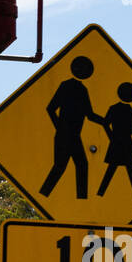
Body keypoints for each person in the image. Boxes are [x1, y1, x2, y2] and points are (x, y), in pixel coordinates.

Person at [39, 55, 103, 200]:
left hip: (74, 136)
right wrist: (60, 127)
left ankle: (81, 199)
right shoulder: (65, 85)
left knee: (80, 165)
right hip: (64, 135)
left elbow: (90, 115)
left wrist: (105, 121)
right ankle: (44, 194)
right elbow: (50, 108)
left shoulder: (83, 89)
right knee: (61, 167)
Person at [96, 82, 132, 200]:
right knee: (123, 170)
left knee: (117, 170)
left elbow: (106, 124)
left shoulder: (117, 109)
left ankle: (101, 194)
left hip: (119, 144)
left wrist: (112, 138)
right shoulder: (129, 111)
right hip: (125, 144)